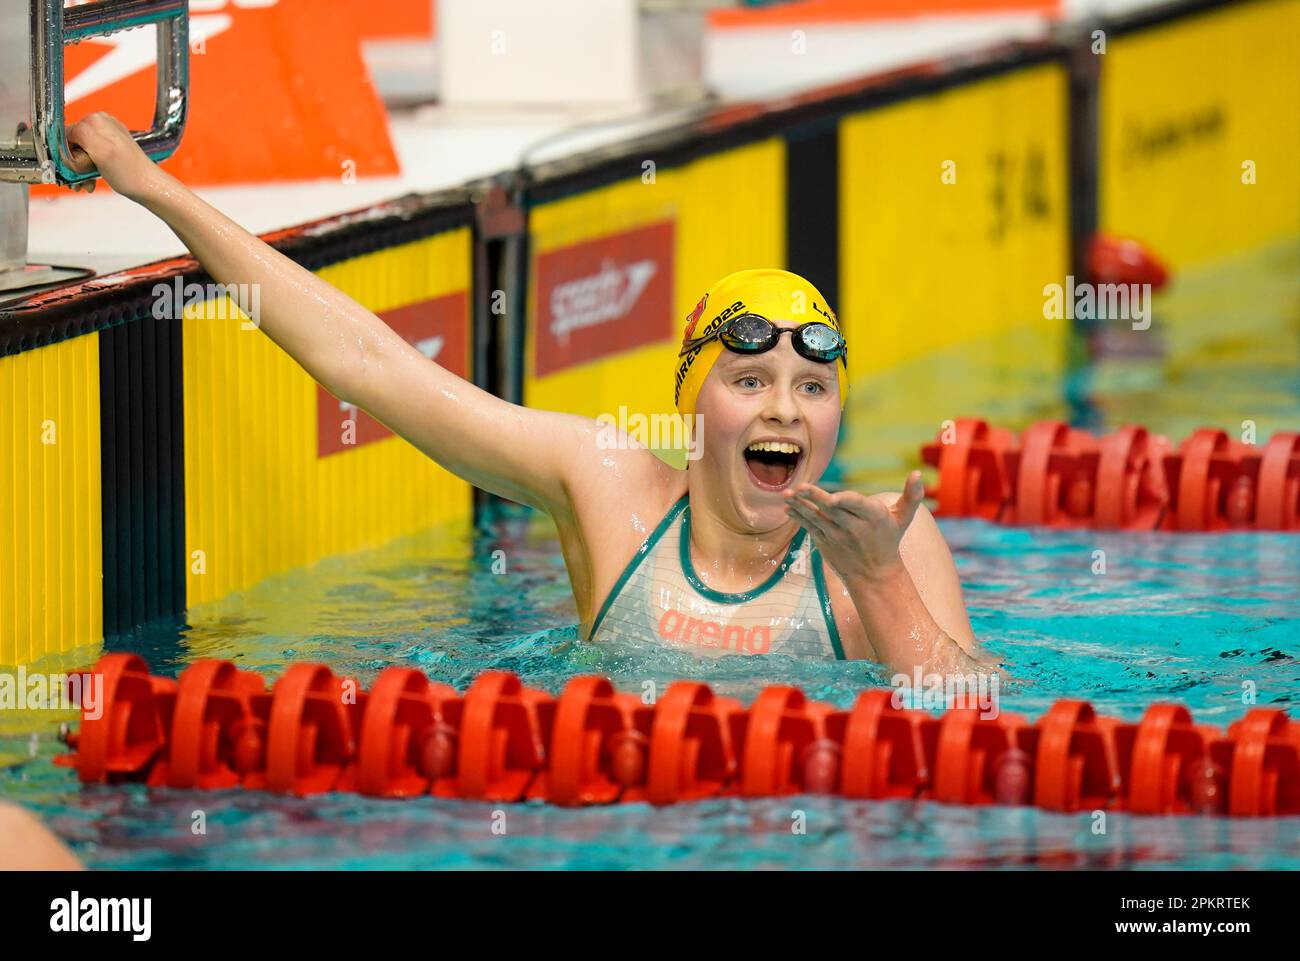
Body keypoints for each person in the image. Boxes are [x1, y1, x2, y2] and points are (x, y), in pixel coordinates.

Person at [66, 112, 993, 675]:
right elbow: (374, 368)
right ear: (689, 406)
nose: (785, 409)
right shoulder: (605, 488)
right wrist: (159, 192)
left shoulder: (888, 539)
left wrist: (883, 586)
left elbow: (977, 730)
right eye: (750, 379)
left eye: (813, 386)